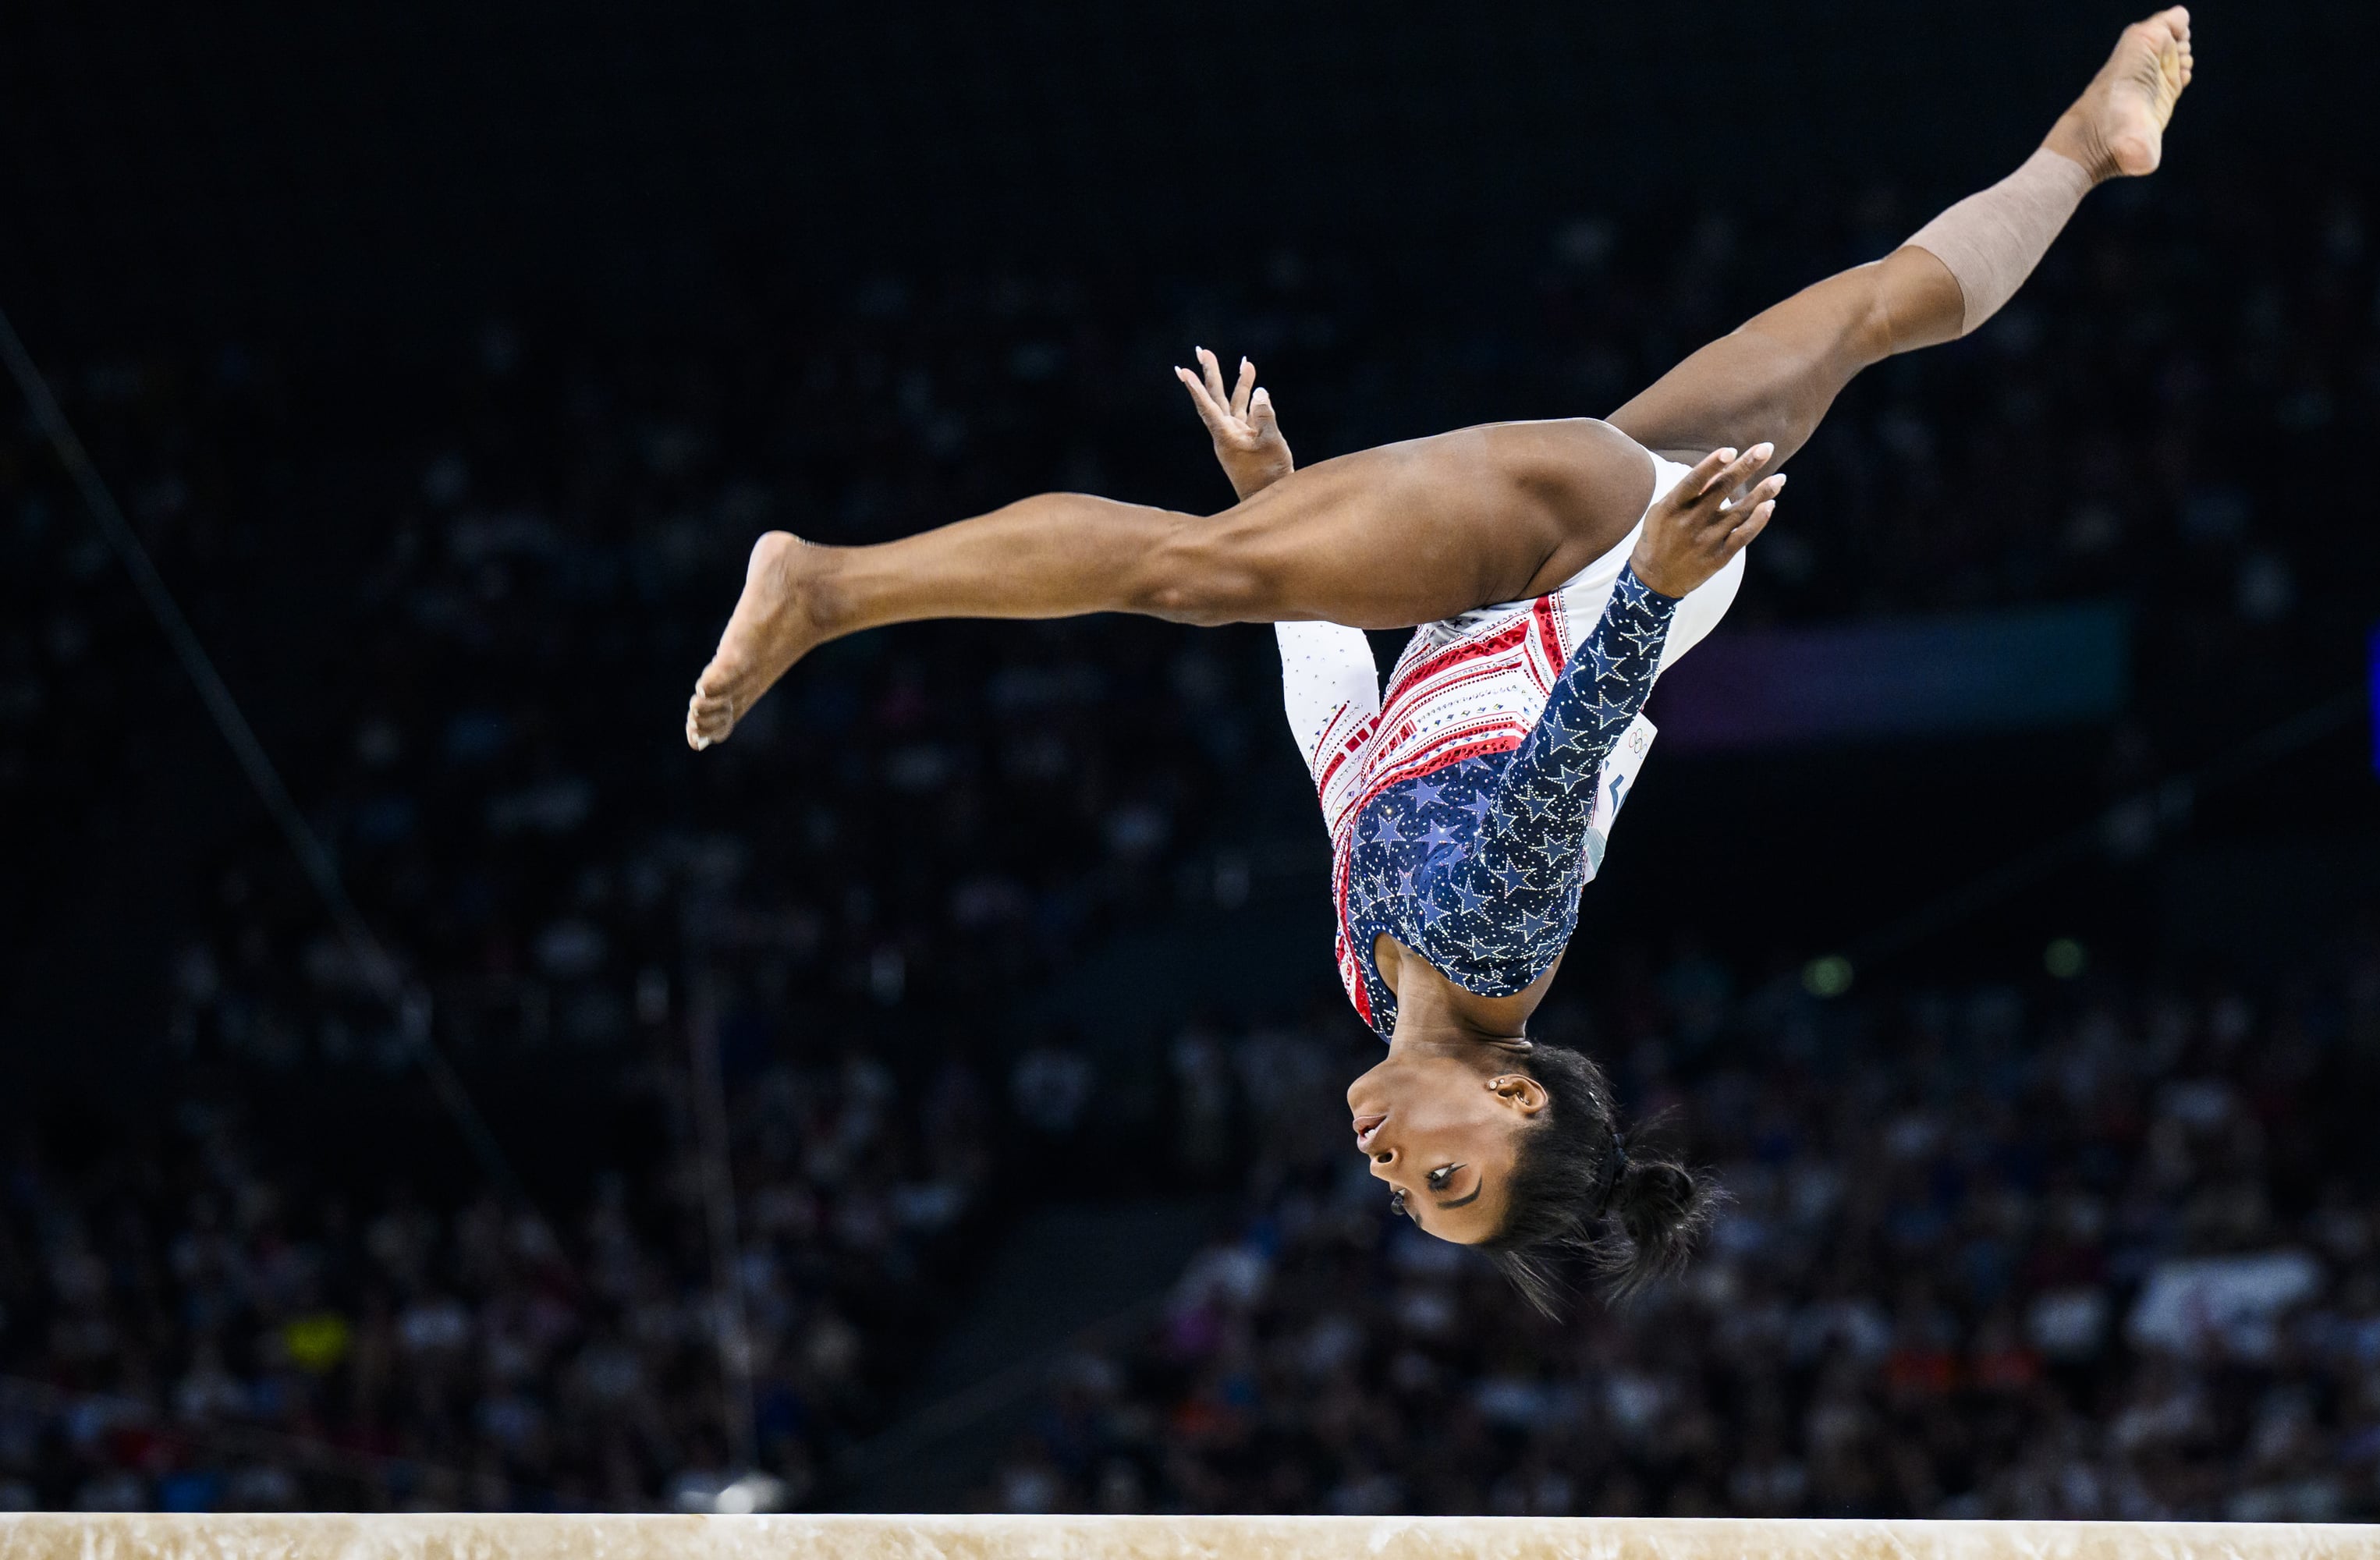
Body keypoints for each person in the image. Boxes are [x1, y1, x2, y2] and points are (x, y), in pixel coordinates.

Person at [685, 10, 2196, 1310]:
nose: (1394, 1173)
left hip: (1579, 561)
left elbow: (1343, 737)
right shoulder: (1495, 951)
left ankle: (2083, 147)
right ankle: (827, 586)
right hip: (1584, 571)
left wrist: (1279, 506)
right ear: (1514, 1092)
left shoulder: (1374, 973)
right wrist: (1641, 586)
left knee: (1866, 318)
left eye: (1413, 1199)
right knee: (1185, 577)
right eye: (1445, 1175)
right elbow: (1564, 748)